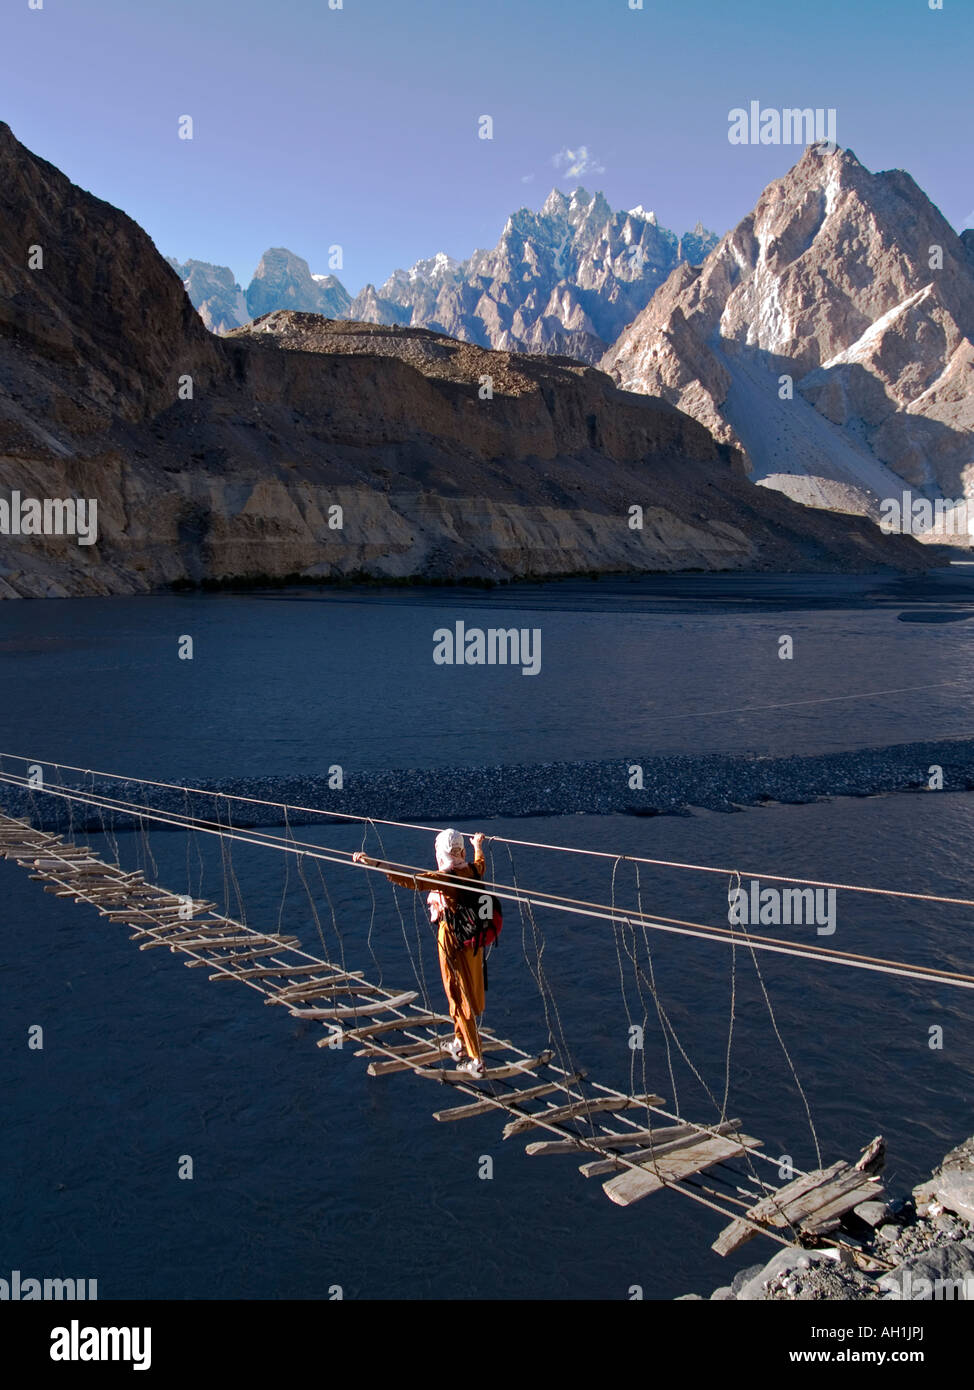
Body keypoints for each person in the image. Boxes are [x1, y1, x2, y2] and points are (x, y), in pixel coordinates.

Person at [353, 828, 491, 1077]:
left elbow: (410, 879)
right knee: (464, 989)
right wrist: (477, 844)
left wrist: (372, 862)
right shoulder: (471, 870)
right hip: (472, 941)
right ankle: (459, 1042)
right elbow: (480, 863)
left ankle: (476, 1059)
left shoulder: (445, 878)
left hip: (451, 940)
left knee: (459, 995)